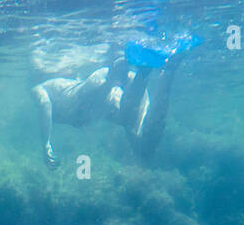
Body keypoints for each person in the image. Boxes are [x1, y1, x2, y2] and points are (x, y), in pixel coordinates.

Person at [30, 35, 199, 167]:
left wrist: (45, 144)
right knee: (145, 150)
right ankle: (167, 69)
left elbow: (44, 105)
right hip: (114, 95)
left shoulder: (38, 88)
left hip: (101, 88)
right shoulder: (58, 85)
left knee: (126, 118)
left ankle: (133, 72)